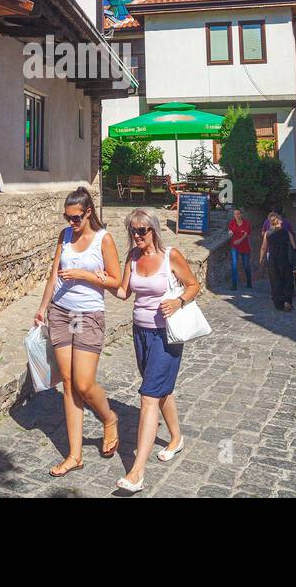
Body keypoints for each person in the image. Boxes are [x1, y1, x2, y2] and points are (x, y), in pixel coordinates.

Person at [33, 187, 123, 477]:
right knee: (69, 384)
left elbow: (116, 280)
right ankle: (74, 455)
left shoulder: (103, 239)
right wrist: (43, 307)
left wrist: (83, 275)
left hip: (87, 315)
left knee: (84, 384)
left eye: (75, 218)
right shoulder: (65, 236)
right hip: (60, 312)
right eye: (67, 217)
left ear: (88, 213)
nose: (70, 222)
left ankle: (109, 418)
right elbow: (53, 274)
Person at [112, 209, 202, 493]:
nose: (136, 236)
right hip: (140, 334)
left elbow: (193, 285)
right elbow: (123, 292)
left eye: (142, 230)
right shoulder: (133, 258)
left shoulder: (170, 256)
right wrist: (97, 279)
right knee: (162, 390)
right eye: (132, 231)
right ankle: (176, 438)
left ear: (153, 230)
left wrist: (178, 302)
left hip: (167, 336)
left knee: (149, 397)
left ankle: (137, 471)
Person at [259, 211, 296, 311]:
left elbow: (263, 247)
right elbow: (294, 246)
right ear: (279, 221)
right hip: (285, 259)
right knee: (287, 280)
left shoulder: (267, 233)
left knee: (275, 281)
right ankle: (287, 302)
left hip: (273, 260)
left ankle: (278, 304)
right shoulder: (286, 232)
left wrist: (261, 258)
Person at [226, 209, 253, 290]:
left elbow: (246, 234)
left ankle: (249, 283)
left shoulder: (246, 223)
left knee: (246, 266)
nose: (236, 215)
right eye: (235, 214)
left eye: (238, 214)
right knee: (234, 265)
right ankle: (234, 285)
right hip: (234, 246)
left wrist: (239, 240)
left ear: (241, 214)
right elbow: (230, 230)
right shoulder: (232, 222)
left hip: (244, 247)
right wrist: (230, 233)